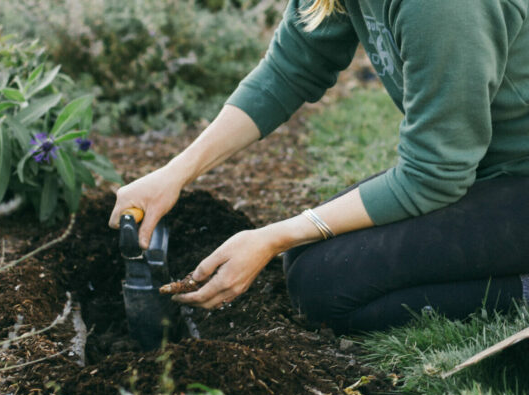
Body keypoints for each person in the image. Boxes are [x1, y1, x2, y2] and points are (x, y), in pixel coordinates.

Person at [108, 0, 529, 333]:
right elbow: (289, 70)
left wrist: (272, 236)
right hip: (482, 172)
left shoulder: (442, 8)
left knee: (327, 288)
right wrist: (174, 174)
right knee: (311, 260)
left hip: (514, 179)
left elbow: (433, 175)